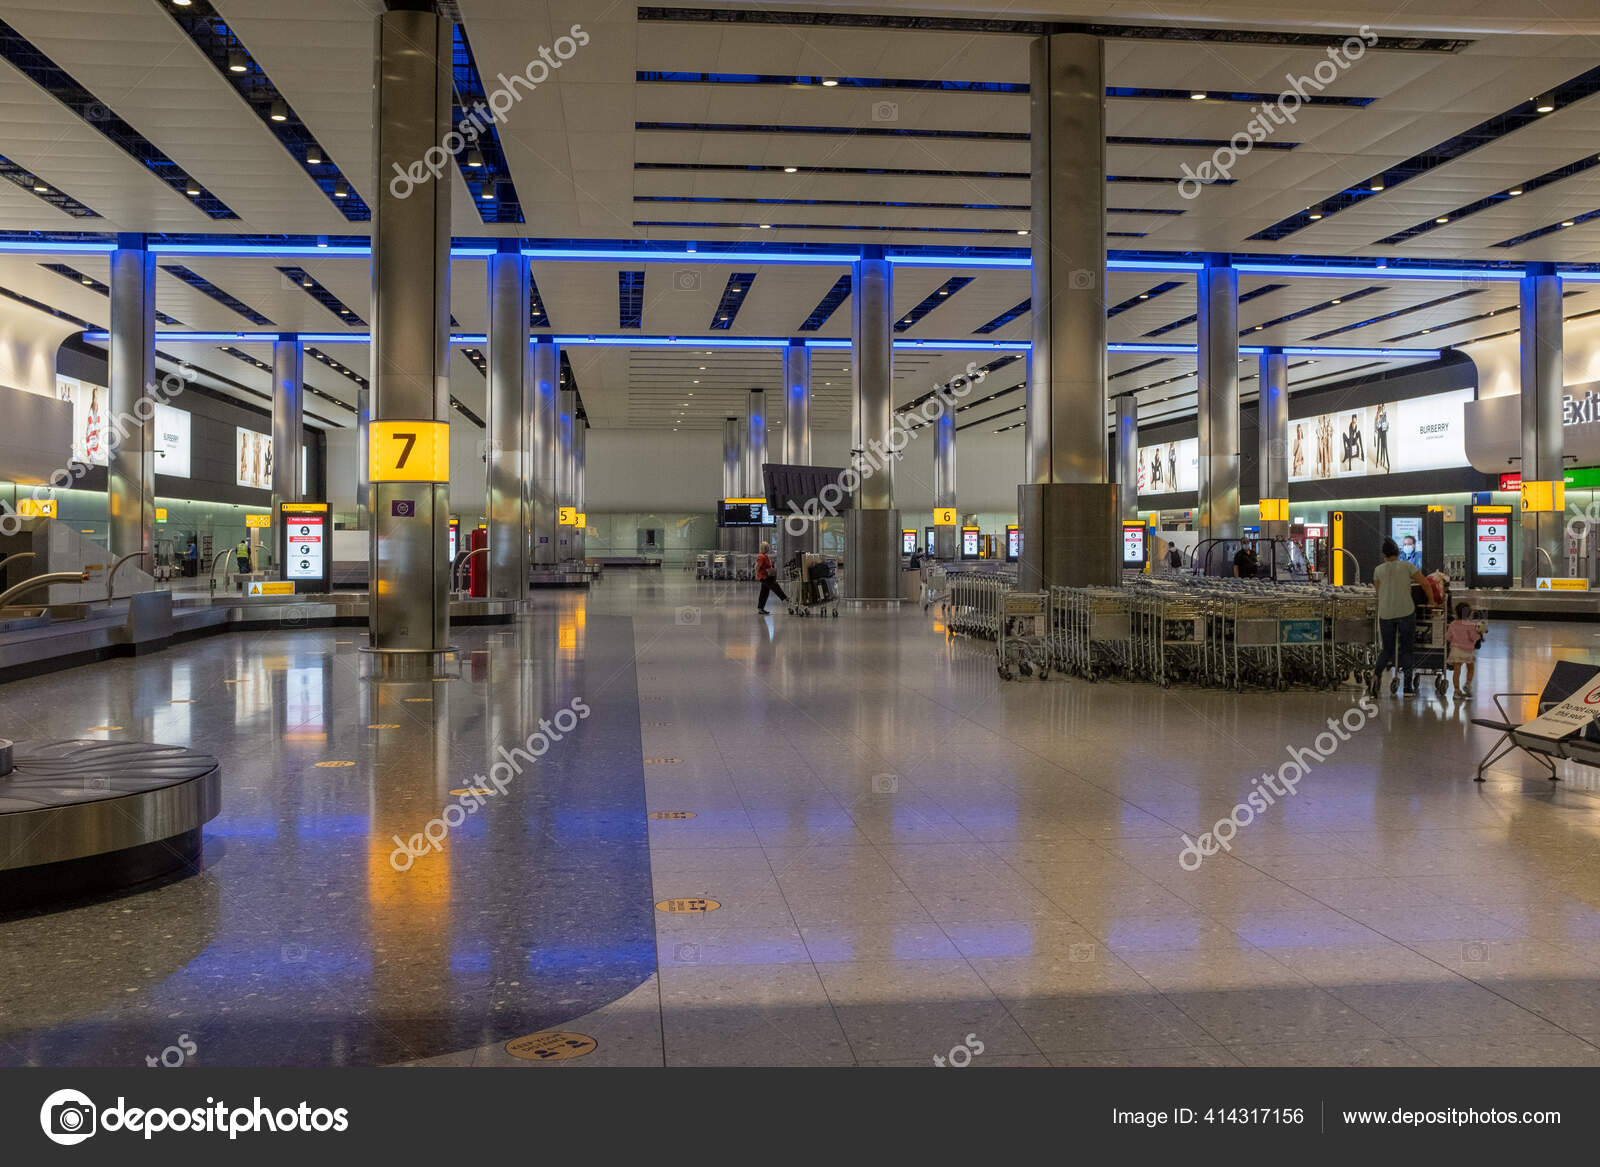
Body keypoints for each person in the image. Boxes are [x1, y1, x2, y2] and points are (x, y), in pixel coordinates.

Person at [1371, 538, 1428, 697]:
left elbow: (1378, 591)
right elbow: (1425, 583)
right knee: (1406, 650)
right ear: (1398, 552)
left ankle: (1376, 678)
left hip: (1386, 613)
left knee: (1387, 650)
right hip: (1405, 612)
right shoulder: (1407, 566)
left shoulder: (1378, 570)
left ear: (1384, 554)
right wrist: (1431, 600)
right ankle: (1408, 688)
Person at [1445, 601, 1485, 698]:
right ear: (1469, 613)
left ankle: (1456, 691)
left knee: (1457, 670)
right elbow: (1473, 638)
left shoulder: (1453, 624)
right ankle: (1467, 684)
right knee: (1470, 668)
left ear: (1456, 612)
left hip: (1456, 650)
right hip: (1467, 651)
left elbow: (1448, 637)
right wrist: (1479, 634)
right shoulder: (1471, 625)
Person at [755, 540, 788, 615]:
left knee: (764, 593)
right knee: (775, 587)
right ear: (764, 548)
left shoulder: (765, 556)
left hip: (768, 576)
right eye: (767, 547)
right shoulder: (761, 556)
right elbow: (758, 567)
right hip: (764, 577)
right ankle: (785, 598)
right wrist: (757, 575)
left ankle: (760, 608)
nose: (768, 548)